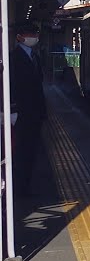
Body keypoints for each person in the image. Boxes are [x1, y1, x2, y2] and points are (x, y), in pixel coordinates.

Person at [8, 22, 46, 197]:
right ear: (19, 37)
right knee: (21, 151)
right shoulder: (13, 58)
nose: (34, 37)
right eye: (30, 33)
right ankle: (20, 189)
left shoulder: (35, 57)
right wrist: (13, 109)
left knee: (31, 150)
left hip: (35, 114)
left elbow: (39, 85)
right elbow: (12, 86)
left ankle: (26, 185)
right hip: (21, 114)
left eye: (35, 33)